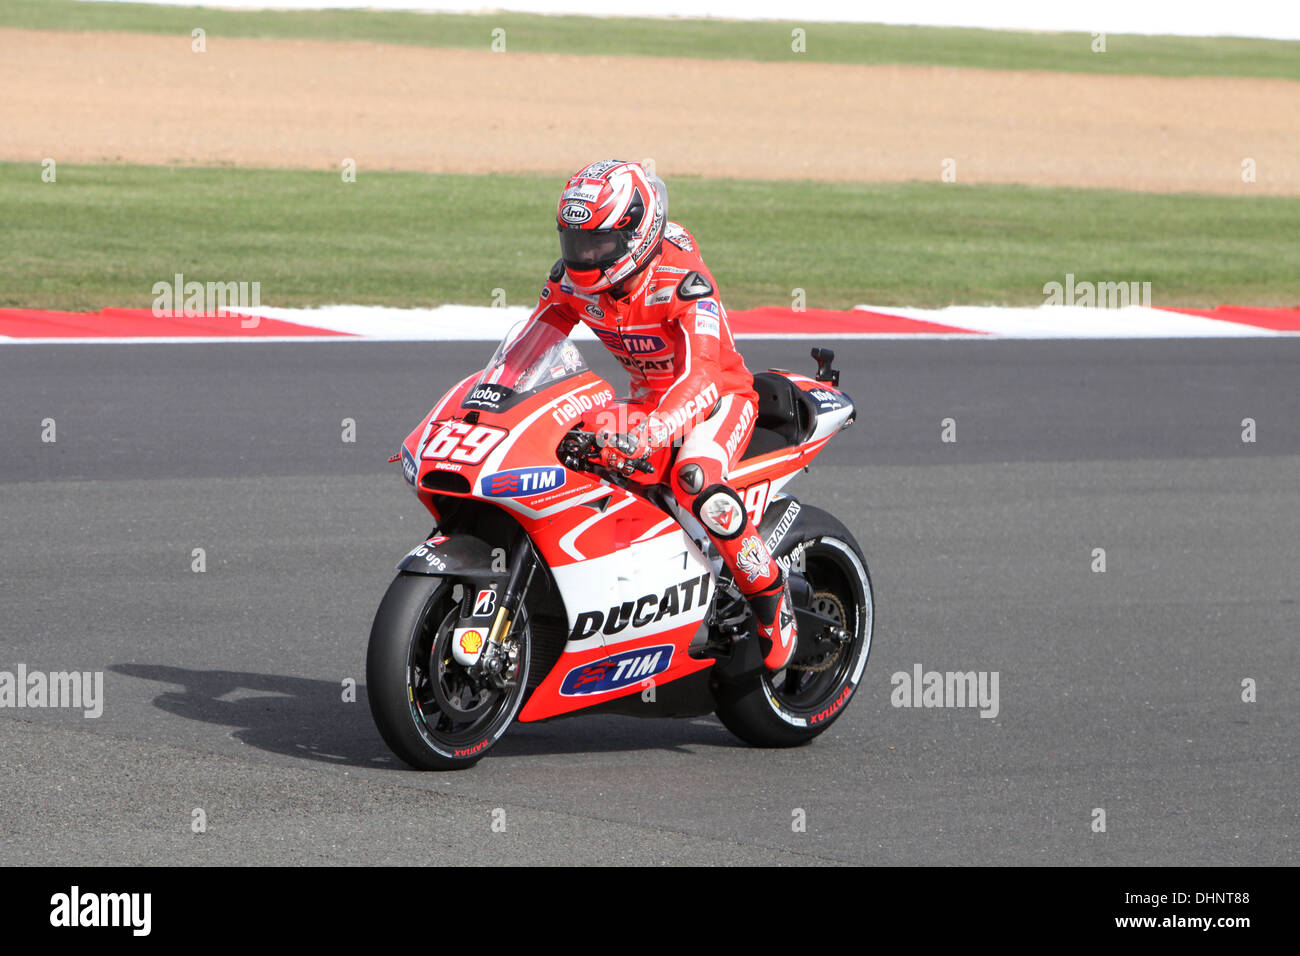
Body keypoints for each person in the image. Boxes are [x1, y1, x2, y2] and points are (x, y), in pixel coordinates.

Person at [517, 159, 796, 671]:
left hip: (719, 398)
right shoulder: (572, 283)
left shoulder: (684, 281)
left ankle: (771, 598)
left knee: (696, 478)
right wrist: (491, 399)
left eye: (598, 244)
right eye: (576, 242)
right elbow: (527, 349)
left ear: (637, 233)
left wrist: (655, 429)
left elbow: (705, 374)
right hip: (645, 401)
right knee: (567, 448)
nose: (585, 256)